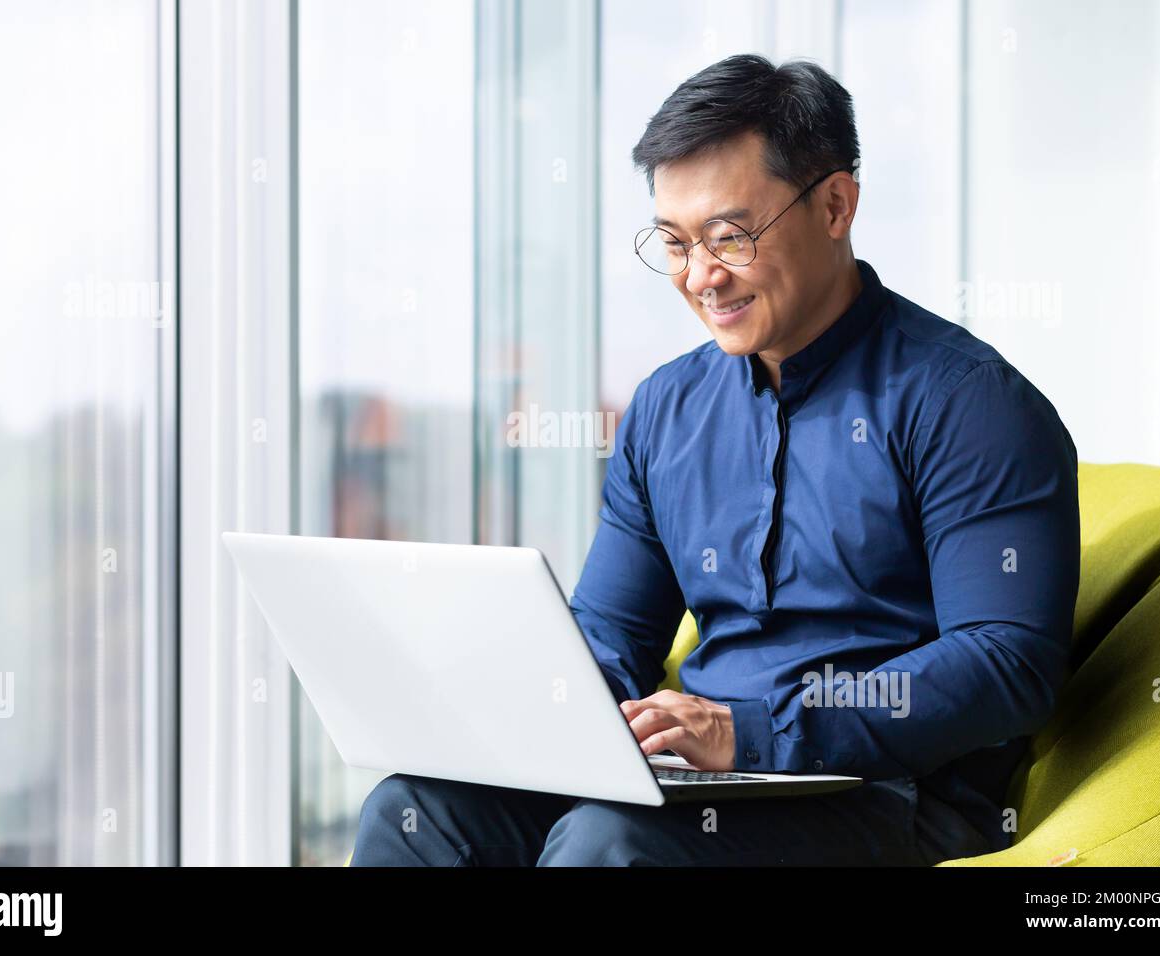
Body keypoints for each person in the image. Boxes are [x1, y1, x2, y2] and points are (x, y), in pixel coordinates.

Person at [352, 54, 1080, 866]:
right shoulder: (666, 410)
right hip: (696, 786)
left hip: (887, 796)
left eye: (729, 236)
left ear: (836, 204)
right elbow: (613, 636)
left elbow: (1007, 661)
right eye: (672, 242)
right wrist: (515, 712)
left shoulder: (969, 401)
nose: (700, 277)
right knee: (414, 810)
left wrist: (755, 732)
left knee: (608, 841)